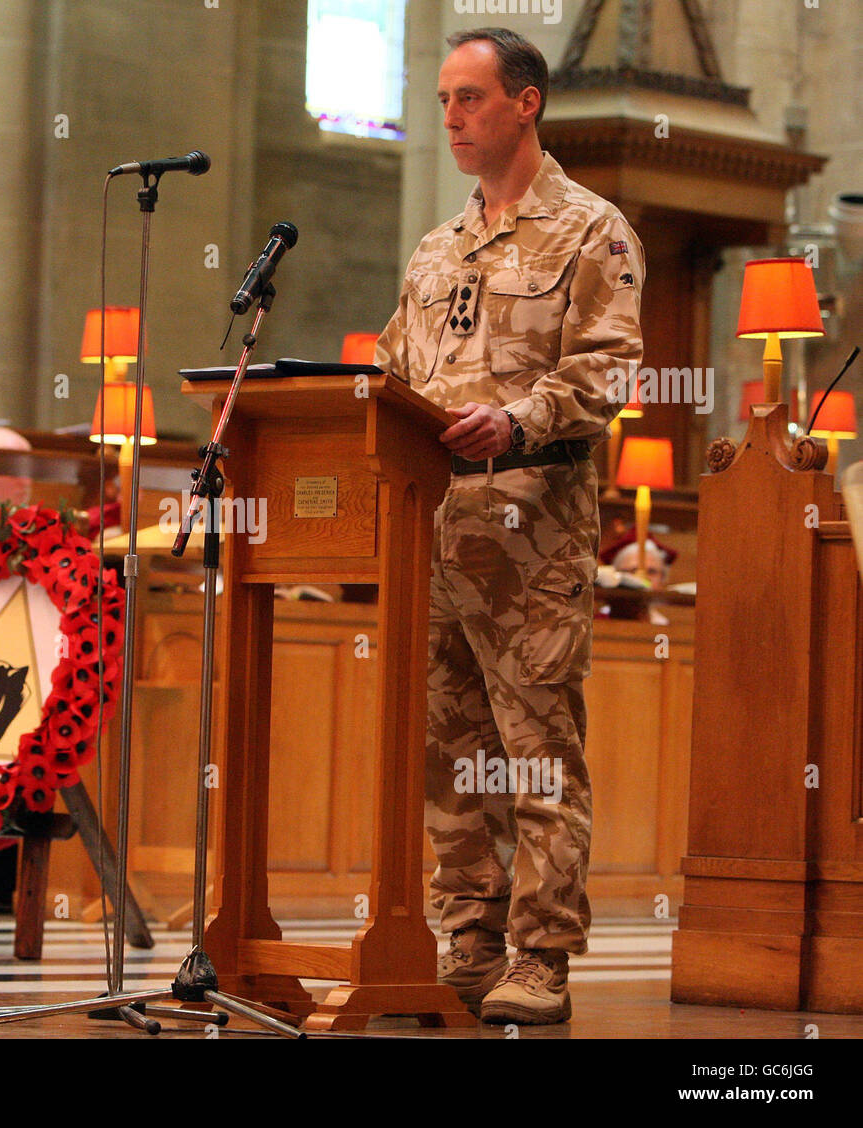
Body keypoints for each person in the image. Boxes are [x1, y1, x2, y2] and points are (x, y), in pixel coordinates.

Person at [374, 27, 644, 1024]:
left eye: (469, 99)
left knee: (534, 757)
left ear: (524, 103)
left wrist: (521, 418)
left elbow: (608, 371)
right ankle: (471, 940)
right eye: (443, 99)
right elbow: (397, 378)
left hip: (531, 546)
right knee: (451, 758)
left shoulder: (591, 230)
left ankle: (540, 958)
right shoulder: (435, 248)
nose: (450, 117)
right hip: (434, 539)